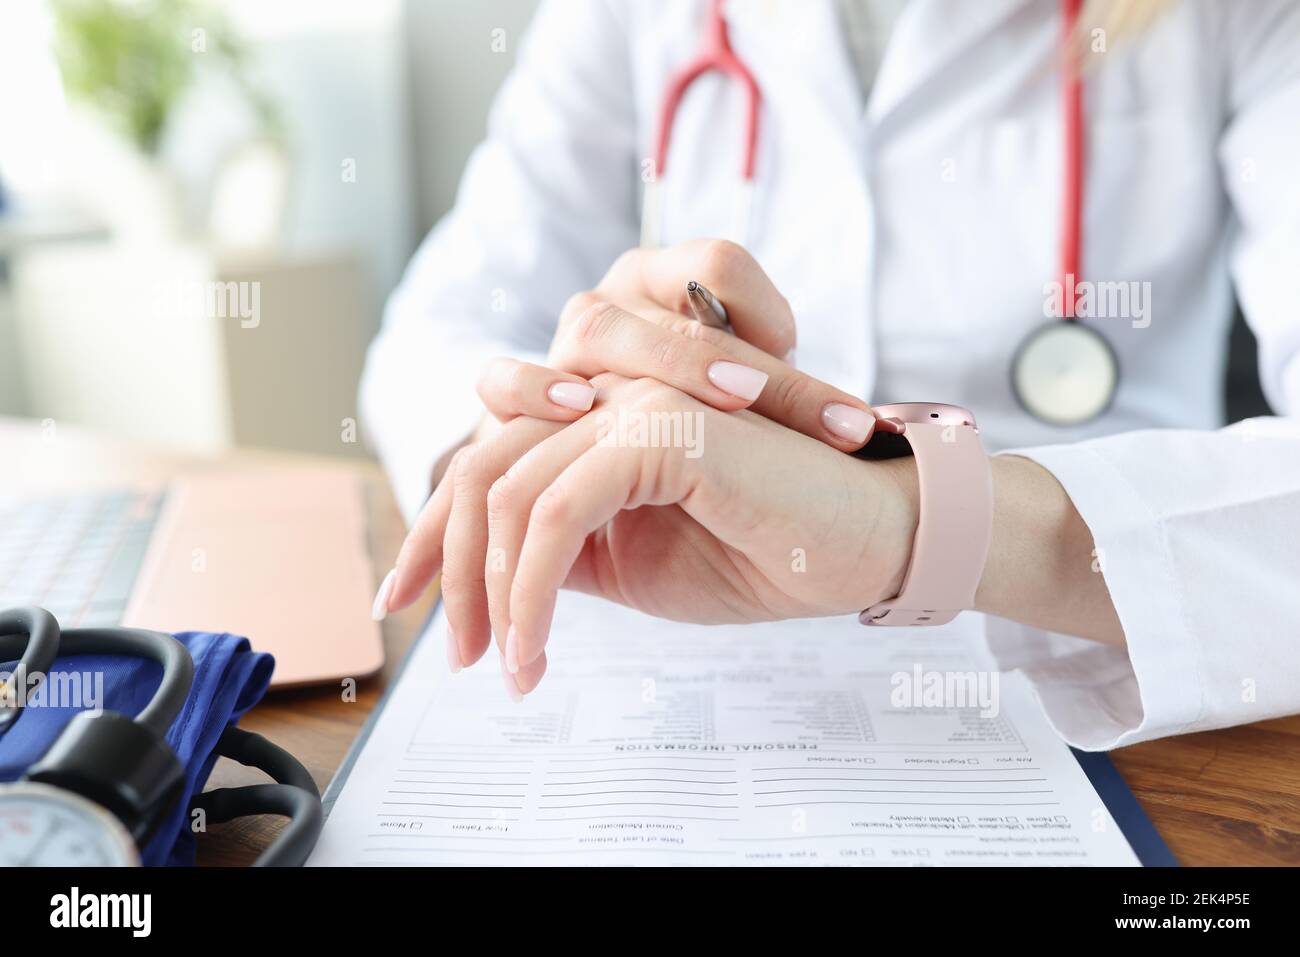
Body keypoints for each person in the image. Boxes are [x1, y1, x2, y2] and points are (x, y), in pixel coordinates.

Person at [359, 0, 1300, 750]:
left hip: (1115, 660)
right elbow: (436, 331)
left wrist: (916, 525)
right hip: (687, 658)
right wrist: (547, 421)